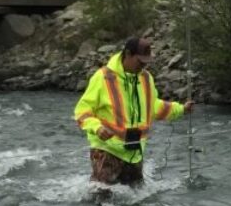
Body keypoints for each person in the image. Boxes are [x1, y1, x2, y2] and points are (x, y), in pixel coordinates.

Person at [74, 37, 194, 185]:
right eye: (140, 61)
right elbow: (82, 111)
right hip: (107, 151)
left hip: (135, 152)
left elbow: (154, 107)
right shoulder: (103, 77)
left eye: (146, 63)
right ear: (128, 54)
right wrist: (97, 128)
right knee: (102, 199)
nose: (143, 66)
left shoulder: (146, 78)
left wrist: (181, 109)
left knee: (136, 196)